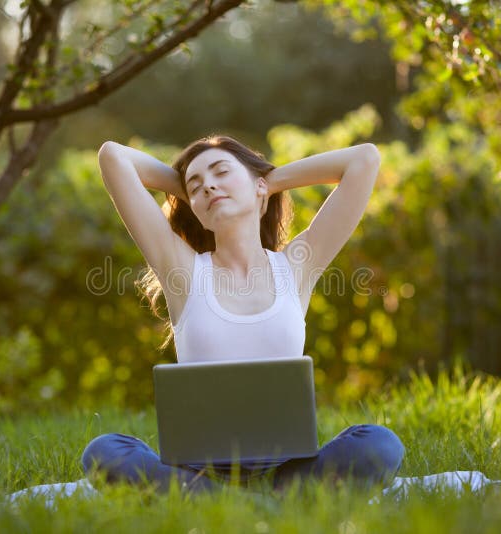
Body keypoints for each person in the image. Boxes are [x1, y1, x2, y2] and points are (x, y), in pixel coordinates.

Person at [83, 135, 404, 496]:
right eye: (196, 185)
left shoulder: (296, 267)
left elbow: (364, 160)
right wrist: (195, 192)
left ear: (259, 187)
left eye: (221, 172)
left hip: (288, 467)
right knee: (105, 452)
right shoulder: (183, 272)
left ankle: (237, 500)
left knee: (379, 445)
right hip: (197, 470)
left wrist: (268, 181)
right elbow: (113, 157)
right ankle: (257, 501)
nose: (209, 185)